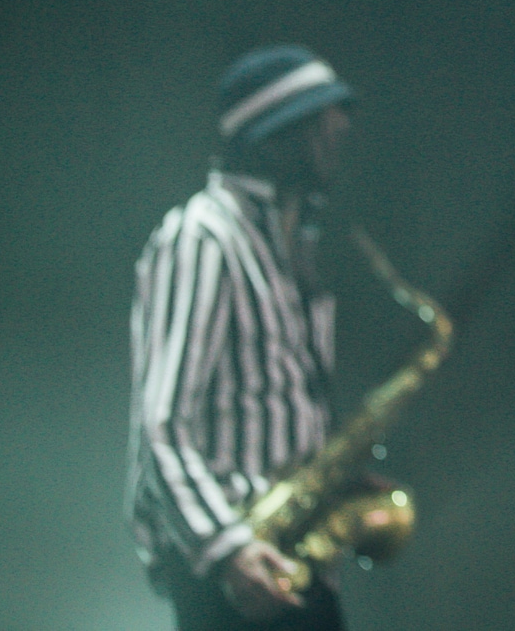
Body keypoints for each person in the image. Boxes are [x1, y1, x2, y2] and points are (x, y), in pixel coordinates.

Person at [130, 46, 358, 630]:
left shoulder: (290, 245)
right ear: (276, 135)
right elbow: (161, 425)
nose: (341, 126)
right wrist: (229, 552)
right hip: (240, 570)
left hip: (289, 556)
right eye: (322, 116)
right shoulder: (203, 237)